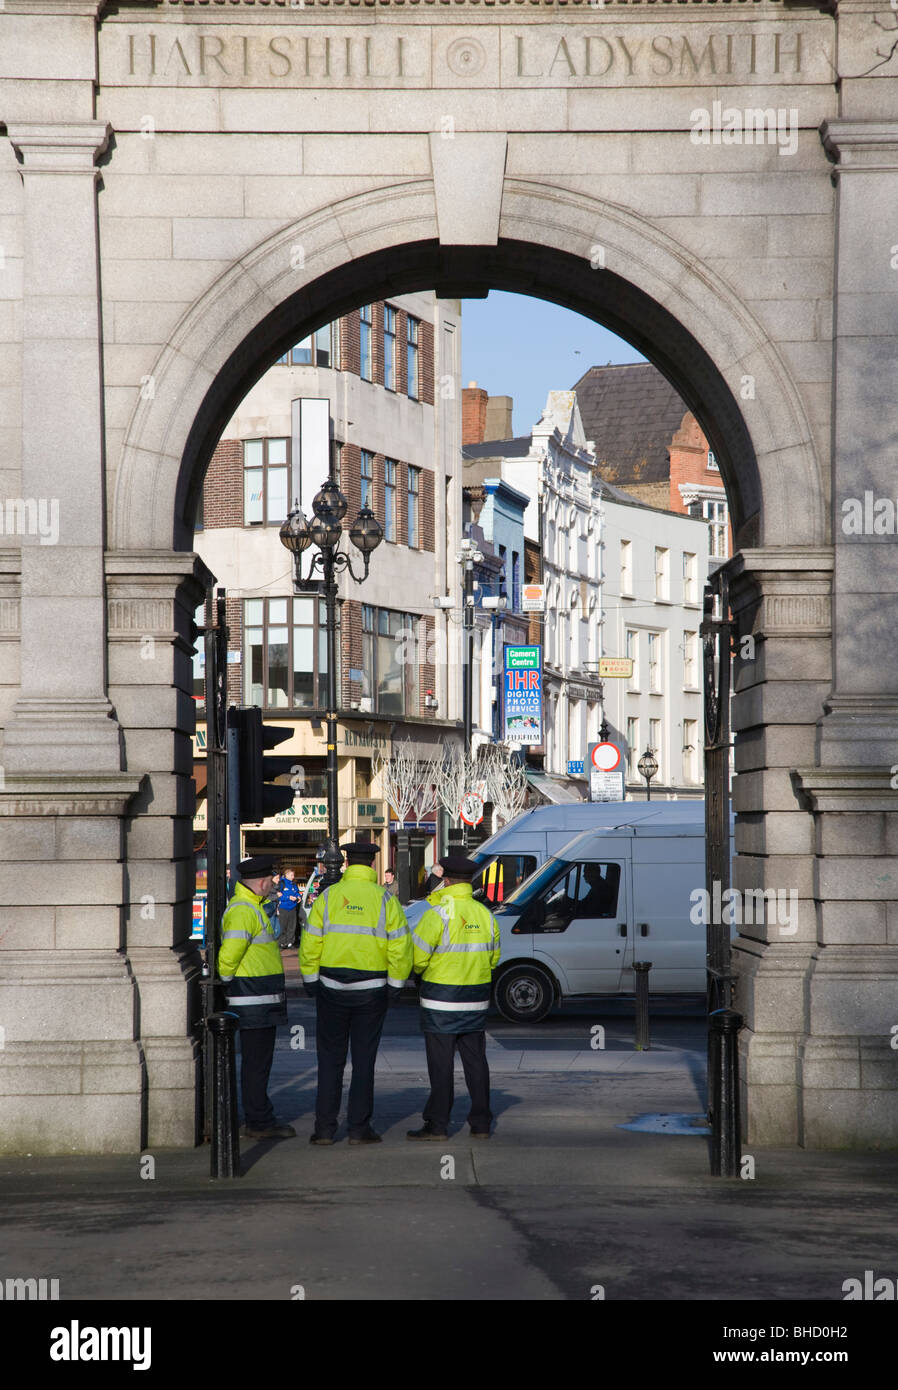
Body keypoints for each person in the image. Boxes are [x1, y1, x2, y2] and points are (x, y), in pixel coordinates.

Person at [300, 840, 412, 1145]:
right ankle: (359, 1128)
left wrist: (310, 981)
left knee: (330, 1059)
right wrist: (396, 985)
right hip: (372, 990)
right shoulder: (385, 899)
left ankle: (324, 1128)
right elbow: (400, 946)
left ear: (347, 863)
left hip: (332, 987)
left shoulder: (329, 897)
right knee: (364, 1061)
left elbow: (311, 942)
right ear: (373, 866)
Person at [407, 855, 501, 1142]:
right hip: (475, 997)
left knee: (441, 1064)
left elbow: (418, 958)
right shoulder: (485, 914)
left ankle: (437, 1125)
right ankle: (482, 1123)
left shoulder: (436, 914)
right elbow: (494, 957)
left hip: (440, 999)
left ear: (445, 880)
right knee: (476, 1061)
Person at [218, 854, 295, 1141]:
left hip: (259, 999)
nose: (273, 884)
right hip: (253, 1001)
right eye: (270, 881)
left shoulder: (252, 907)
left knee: (258, 1064)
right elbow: (228, 958)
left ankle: (260, 1116)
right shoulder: (244, 910)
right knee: (256, 1065)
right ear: (261, 882)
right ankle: (259, 1120)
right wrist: (226, 983)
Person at [278, 867, 301, 948]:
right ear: (286, 875)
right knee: (282, 926)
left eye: (293, 875)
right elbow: (278, 895)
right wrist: (288, 897)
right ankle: (282, 942)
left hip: (293, 907)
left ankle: (290, 942)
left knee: (292, 926)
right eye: (291, 875)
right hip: (283, 908)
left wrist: (298, 897)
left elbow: (297, 892)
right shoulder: (281, 883)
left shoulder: (294, 884)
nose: (293, 877)